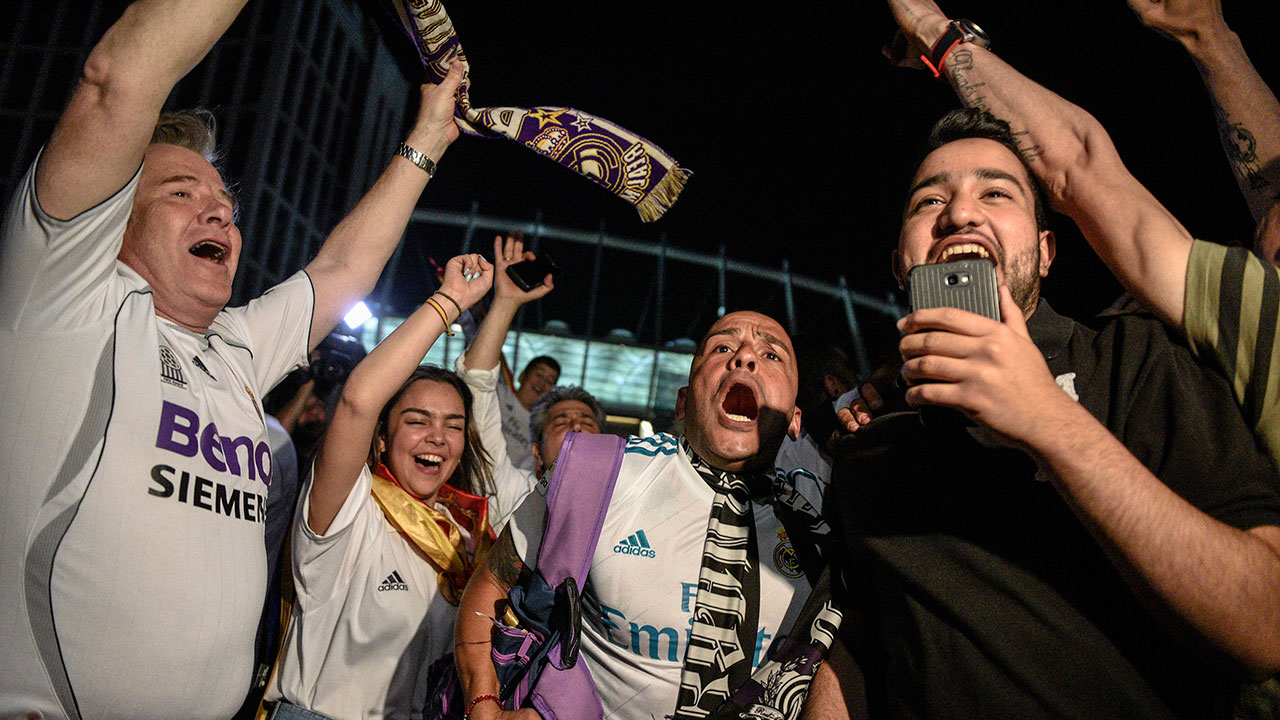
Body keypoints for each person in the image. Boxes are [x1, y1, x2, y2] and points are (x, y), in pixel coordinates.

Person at [0, 0, 466, 716]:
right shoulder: (62, 305)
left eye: (224, 201)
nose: (218, 213)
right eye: (181, 194)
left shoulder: (237, 351)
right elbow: (115, 81)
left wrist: (429, 135)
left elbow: (342, 267)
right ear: (106, 222)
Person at [820, 24, 1280, 707]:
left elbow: (1265, 623)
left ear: (1046, 251)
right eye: (929, 201)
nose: (960, 214)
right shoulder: (869, 441)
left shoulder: (1139, 362)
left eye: (997, 193)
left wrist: (1045, 417)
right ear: (899, 262)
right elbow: (864, 636)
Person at [455, 310, 838, 720]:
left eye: (771, 355)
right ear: (683, 401)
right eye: (722, 347)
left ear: (795, 419)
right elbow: (492, 582)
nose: (744, 356)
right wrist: (483, 704)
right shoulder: (597, 474)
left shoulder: (823, 518)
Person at [266, 253, 496, 719]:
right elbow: (357, 399)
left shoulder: (471, 535)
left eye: (453, 425)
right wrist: (448, 301)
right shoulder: (349, 508)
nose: (437, 436)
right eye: (418, 420)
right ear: (383, 436)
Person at [455, 235, 605, 525]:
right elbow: (476, 380)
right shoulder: (509, 491)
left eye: (587, 423)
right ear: (536, 452)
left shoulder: (625, 510)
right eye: (560, 423)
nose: (576, 426)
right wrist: (506, 302)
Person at [496, 354, 562, 472]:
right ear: (522, 376)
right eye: (539, 375)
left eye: (549, 381)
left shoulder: (541, 430)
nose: (542, 383)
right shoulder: (497, 393)